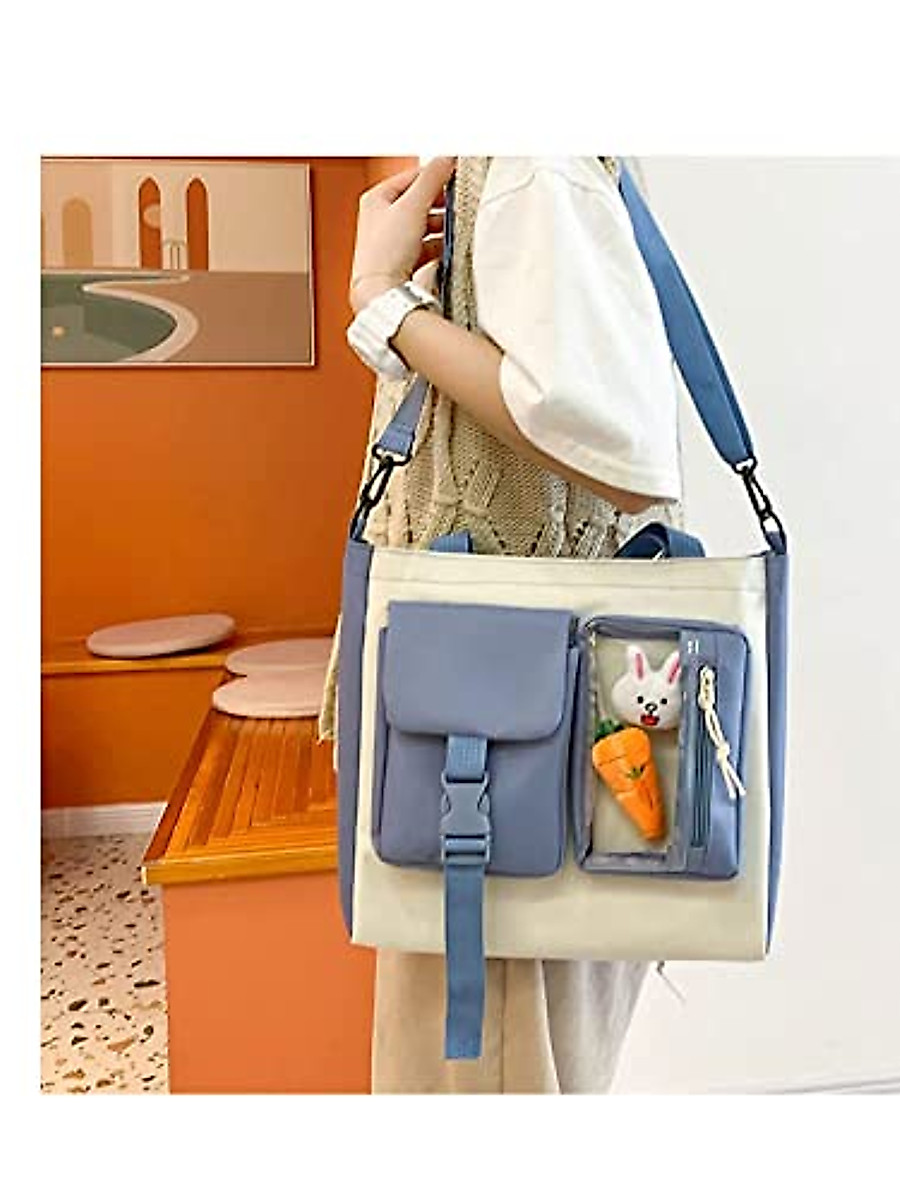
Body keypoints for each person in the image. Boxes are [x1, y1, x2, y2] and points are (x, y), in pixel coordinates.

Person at [318, 156, 685, 1093]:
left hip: (501, 759)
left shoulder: (529, 158)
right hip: (499, 737)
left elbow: (617, 445)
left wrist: (383, 299)